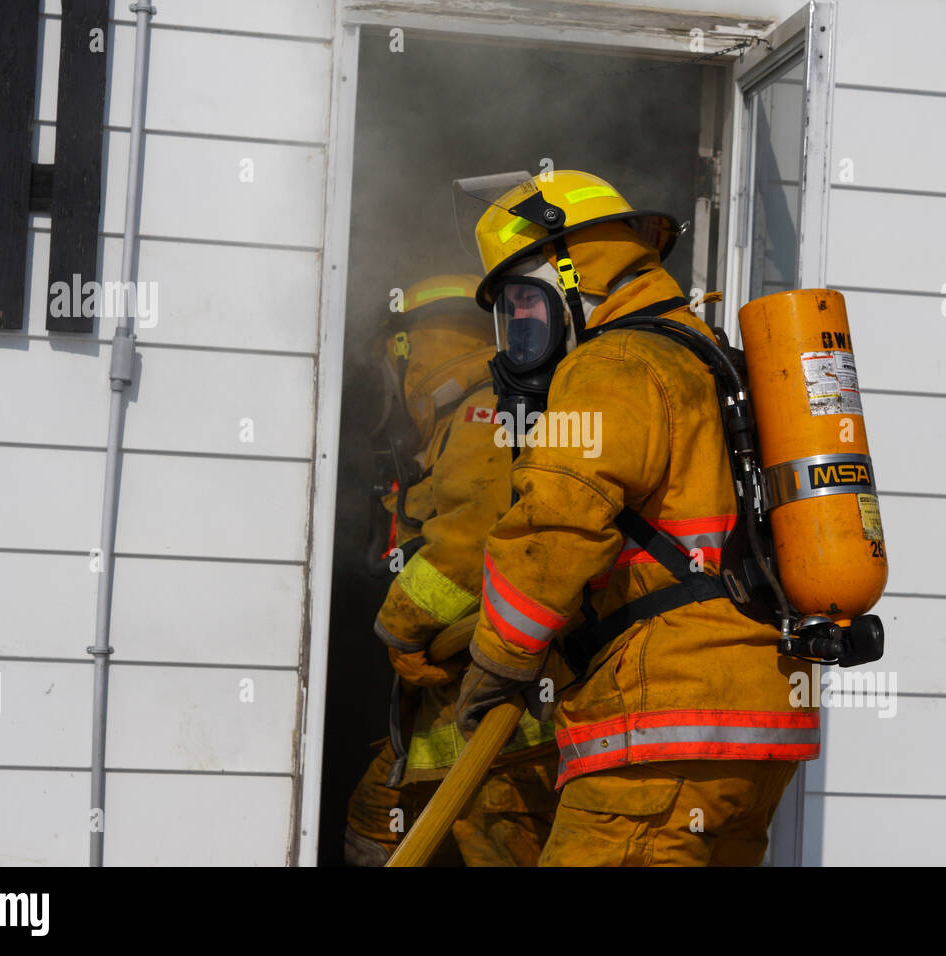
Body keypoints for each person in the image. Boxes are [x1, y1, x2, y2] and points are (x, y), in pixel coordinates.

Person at [453, 172, 819, 866]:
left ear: (572, 274)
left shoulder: (611, 363)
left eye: (524, 308)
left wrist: (496, 663)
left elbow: (555, 529)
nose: (519, 339)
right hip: (760, 723)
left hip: (663, 727)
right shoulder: (708, 357)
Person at [344, 274, 558, 867]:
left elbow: (469, 546)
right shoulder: (464, 421)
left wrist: (402, 629)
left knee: (498, 836)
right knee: (374, 820)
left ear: (408, 351)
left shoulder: (487, 411)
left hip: (511, 725)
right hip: (461, 711)